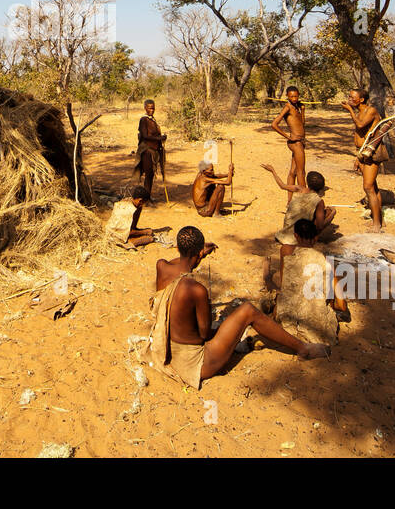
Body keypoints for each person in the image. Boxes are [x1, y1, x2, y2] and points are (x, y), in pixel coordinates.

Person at [141, 226, 328, 389]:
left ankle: (299, 347)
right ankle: (303, 348)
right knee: (248, 311)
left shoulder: (162, 266)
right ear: (199, 254)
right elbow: (204, 334)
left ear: (177, 248)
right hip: (194, 363)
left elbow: (181, 265)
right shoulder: (196, 290)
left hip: (166, 350)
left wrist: (197, 254)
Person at [264, 217, 350, 348]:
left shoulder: (286, 251)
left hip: (285, 315)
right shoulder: (326, 260)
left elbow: (283, 284)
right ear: (315, 237)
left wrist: (267, 277)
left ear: (296, 236)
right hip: (316, 322)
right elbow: (342, 305)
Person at [342, 89, 385, 231]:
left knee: (368, 187)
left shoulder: (370, 110)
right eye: (349, 97)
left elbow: (360, 125)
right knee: (373, 187)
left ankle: (376, 225)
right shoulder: (361, 112)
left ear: (361, 99)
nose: (349, 99)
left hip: (372, 152)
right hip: (363, 153)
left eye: (351, 97)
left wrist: (350, 110)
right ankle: (378, 219)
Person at [262, 165, 335, 244]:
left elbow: (282, 186)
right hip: (297, 238)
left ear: (308, 182)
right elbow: (320, 226)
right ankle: (310, 239)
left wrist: (273, 171)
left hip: (283, 235)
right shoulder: (319, 201)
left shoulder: (299, 189)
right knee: (328, 212)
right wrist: (333, 212)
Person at [271, 86, 307, 204]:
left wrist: (303, 110)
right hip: (295, 143)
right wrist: (288, 136)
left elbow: (301, 123)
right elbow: (274, 124)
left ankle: (290, 201)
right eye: (291, 96)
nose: (294, 98)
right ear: (287, 96)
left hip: (300, 141)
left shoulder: (296, 107)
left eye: (296, 96)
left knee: (293, 171)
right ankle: (305, 200)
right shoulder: (287, 107)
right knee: (301, 172)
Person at [134, 98, 166, 199]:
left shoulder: (153, 120)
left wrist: (161, 140)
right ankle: (144, 198)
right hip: (147, 150)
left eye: (153, 108)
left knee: (151, 175)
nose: (152, 110)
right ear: (145, 108)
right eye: (149, 108)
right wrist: (159, 138)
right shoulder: (143, 119)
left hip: (154, 151)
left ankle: (147, 197)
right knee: (148, 174)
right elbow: (145, 135)